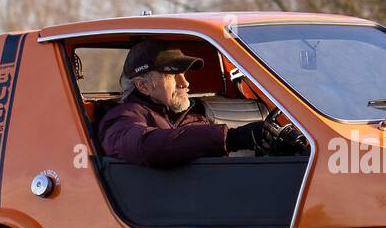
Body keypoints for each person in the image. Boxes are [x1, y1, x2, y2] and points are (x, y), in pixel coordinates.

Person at [98, 41, 265, 167]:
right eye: (172, 76)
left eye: (184, 74)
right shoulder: (122, 118)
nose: (185, 83)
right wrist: (231, 138)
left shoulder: (196, 112)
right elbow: (145, 147)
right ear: (143, 86)